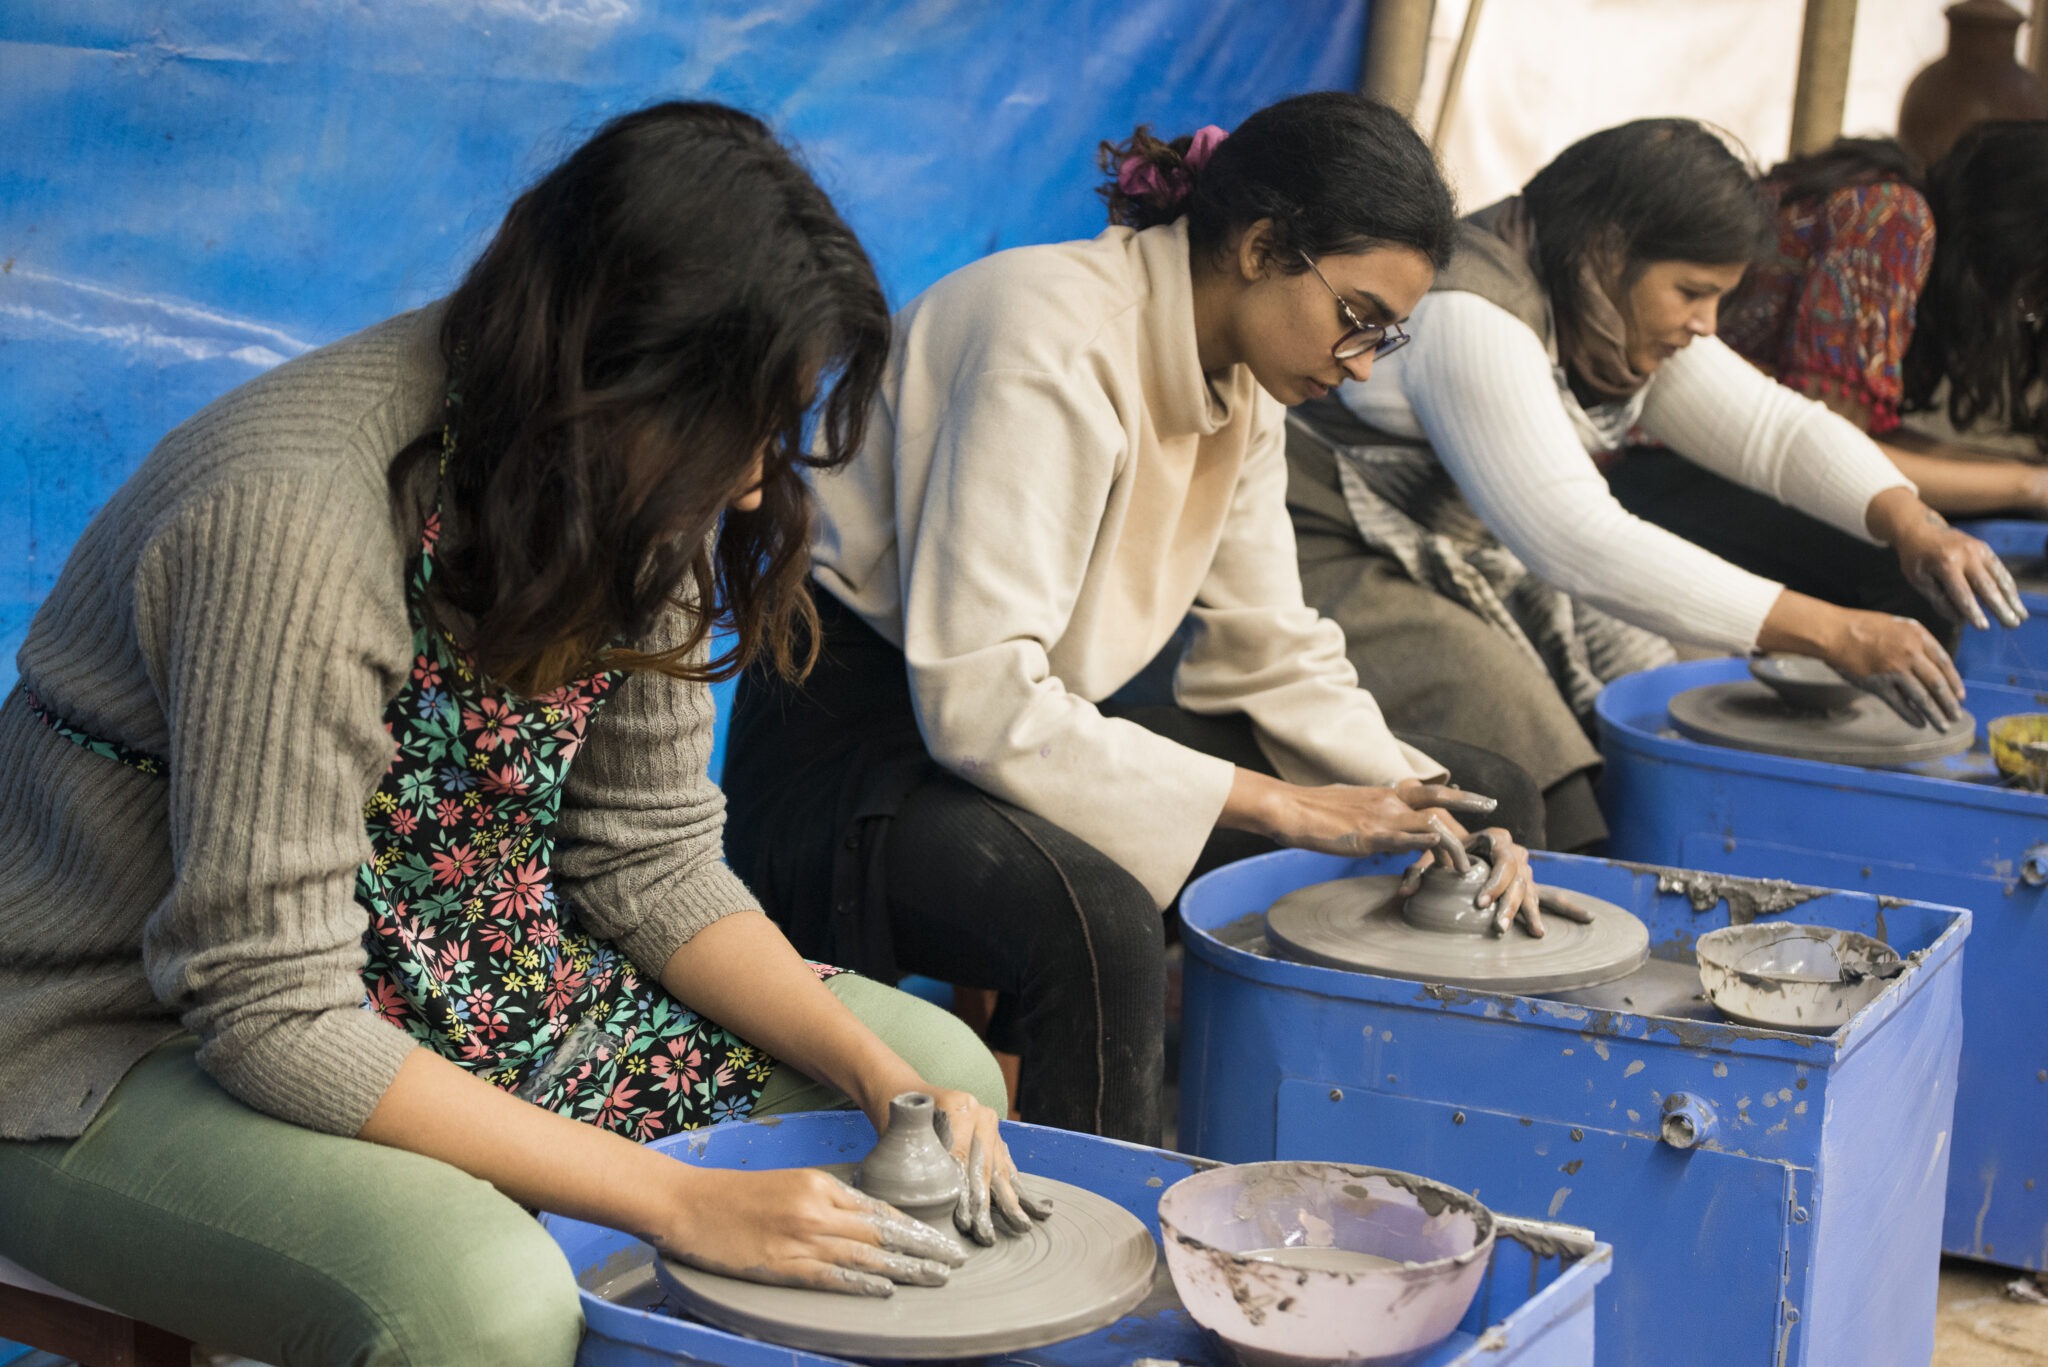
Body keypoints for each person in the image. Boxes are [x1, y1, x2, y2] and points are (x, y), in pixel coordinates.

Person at [0, 103, 1037, 1367]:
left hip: (454, 975)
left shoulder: (625, 476)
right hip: (110, 1039)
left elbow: (646, 857)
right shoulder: (291, 517)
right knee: (477, 1303)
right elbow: (271, 1006)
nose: (762, 483)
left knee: (940, 1079)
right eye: (740, 428)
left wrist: (887, 1078)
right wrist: (673, 1196)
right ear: (614, 370)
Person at [722, 93, 1548, 1151]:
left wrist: (1420, 801)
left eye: (1388, 334)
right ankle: (1097, 1254)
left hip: (1024, 739)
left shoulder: (1243, 382)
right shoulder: (1050, 339)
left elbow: (1273, 644)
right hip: (857, 763)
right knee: (1096, 914)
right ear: (1259, 248)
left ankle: (1378, 1155)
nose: (1362, 364)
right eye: (1357, 317)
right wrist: (1297, 809)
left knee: (1483, 792)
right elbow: (975, 703)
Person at [1287, 119, 2024, 852]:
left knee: (1658, 694)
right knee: (1529, 749)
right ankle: (1570, 891)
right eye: (1693, 293)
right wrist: (1838, 631)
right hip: (1329, 547)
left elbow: (1778, 430)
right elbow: (1576, 537)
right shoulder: (1471, 312)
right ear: (1608, 250)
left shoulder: (1598, 304)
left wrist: (1913, 523)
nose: (1706, 325)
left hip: (1455, 547)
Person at [1716, 121, 2048, 516]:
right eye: (2031, 293)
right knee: (1917, 565)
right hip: (1672, 455)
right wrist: (2029, 487)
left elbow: (1859, 435)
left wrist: (2021, 475)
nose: (2025, 310)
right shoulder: (1893, 218)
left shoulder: (1898, 206)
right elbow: (1834, 457)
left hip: (1725, 453)